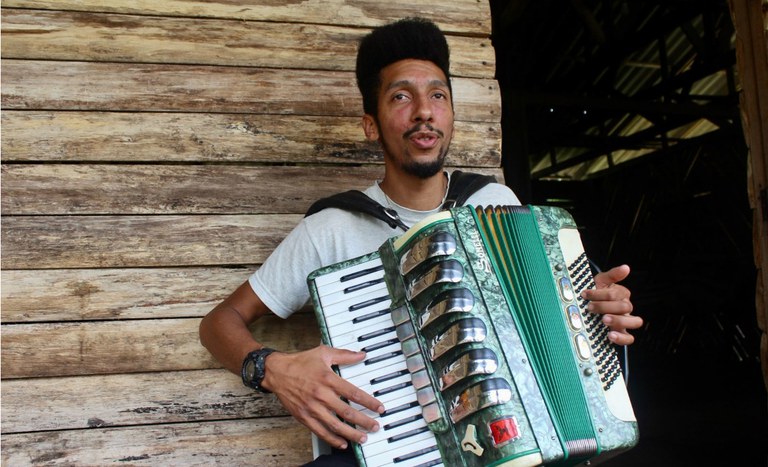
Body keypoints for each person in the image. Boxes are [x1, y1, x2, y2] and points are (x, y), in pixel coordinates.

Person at [199, 17, 642, 465]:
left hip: (518, 446)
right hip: (394, 449)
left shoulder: (495, 204)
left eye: (437, 95)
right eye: (401, 96)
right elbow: (219, 323)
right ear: (371, 125)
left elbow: (546, 326)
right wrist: (274, 369)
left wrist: (590, 312)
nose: (424, 111)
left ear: (451, 115)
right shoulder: (331, 228)